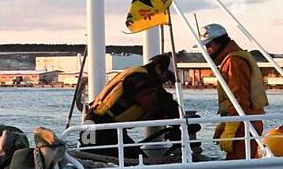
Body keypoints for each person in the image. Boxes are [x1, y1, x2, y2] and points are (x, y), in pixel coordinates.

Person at [83, 53, 194, 158]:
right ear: (159, 68)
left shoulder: (141, 78)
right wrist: (184, 121)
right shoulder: (140, 79)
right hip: (97, 127)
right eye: (168, 77)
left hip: (101, 126)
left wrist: (174, 123)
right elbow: (158, 101)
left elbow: (156, 108)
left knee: (131, 160)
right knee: (135, 163)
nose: (167, 81)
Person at [200, 23, 268, 160]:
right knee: (241, 162)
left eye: (209, 46)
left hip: (244, 123)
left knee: (240, 165)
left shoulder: (233, 62)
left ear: (219, 43)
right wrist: (225, 122)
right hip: (244, 121)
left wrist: (230, 128)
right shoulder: (232, 59)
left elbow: (238, 98)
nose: (207, 50)